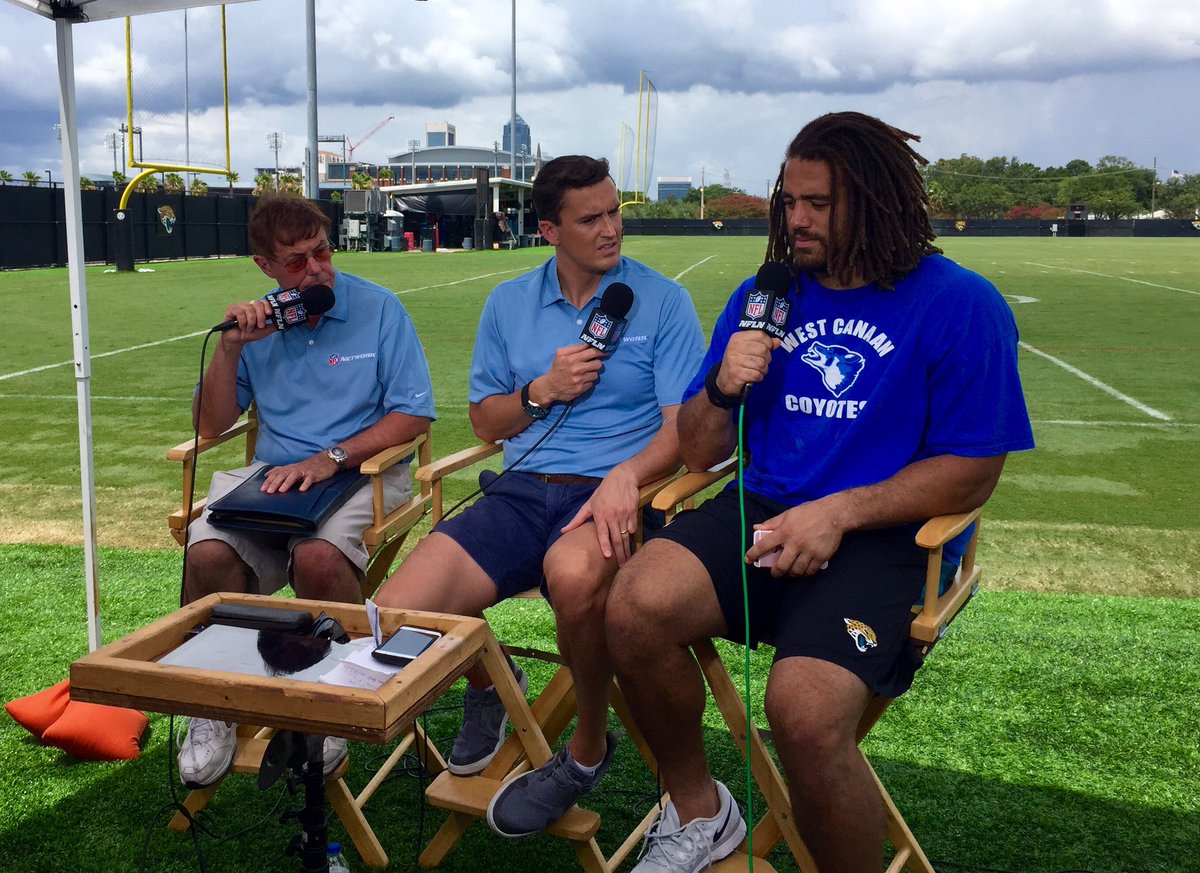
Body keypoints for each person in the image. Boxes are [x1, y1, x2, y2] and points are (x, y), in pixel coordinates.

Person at [606, 112, 1035, 872]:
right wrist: (722, 382)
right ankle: (700, 810)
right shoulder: (762, 295)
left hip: (881, 534)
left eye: (818, 204)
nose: (794, 219)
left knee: (802, 713)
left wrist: (839, 511)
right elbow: (704, 449)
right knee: (633, 605)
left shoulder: (959, 303)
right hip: (762, 511)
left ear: (875, 201)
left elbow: (974, 470)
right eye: (788, 200)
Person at [374, 154, 705, 836]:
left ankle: (585, 747)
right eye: (592, 219)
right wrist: (541, 391)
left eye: (615, 212)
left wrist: (628, 477)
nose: (611, 229)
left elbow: (683, 432)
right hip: (522, 491)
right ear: (550, 229)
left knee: (572, 571)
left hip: (616, 496)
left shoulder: (664, 301)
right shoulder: (509, 303)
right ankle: (493, 687)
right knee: (395, 611)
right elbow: (486, 421)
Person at [176, 194, 434, 788]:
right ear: (265, 266)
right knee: (208, 552)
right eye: (297, 262)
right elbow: (211, 426)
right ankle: (214, 704)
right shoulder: (257, 325)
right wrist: (232, 347)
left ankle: (328, 706)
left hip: (364, 468)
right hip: (274, 476)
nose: (317, 270)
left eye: (322, 252)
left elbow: (414, 417)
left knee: (317, 556)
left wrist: (331, 459)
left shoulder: (380, 308)